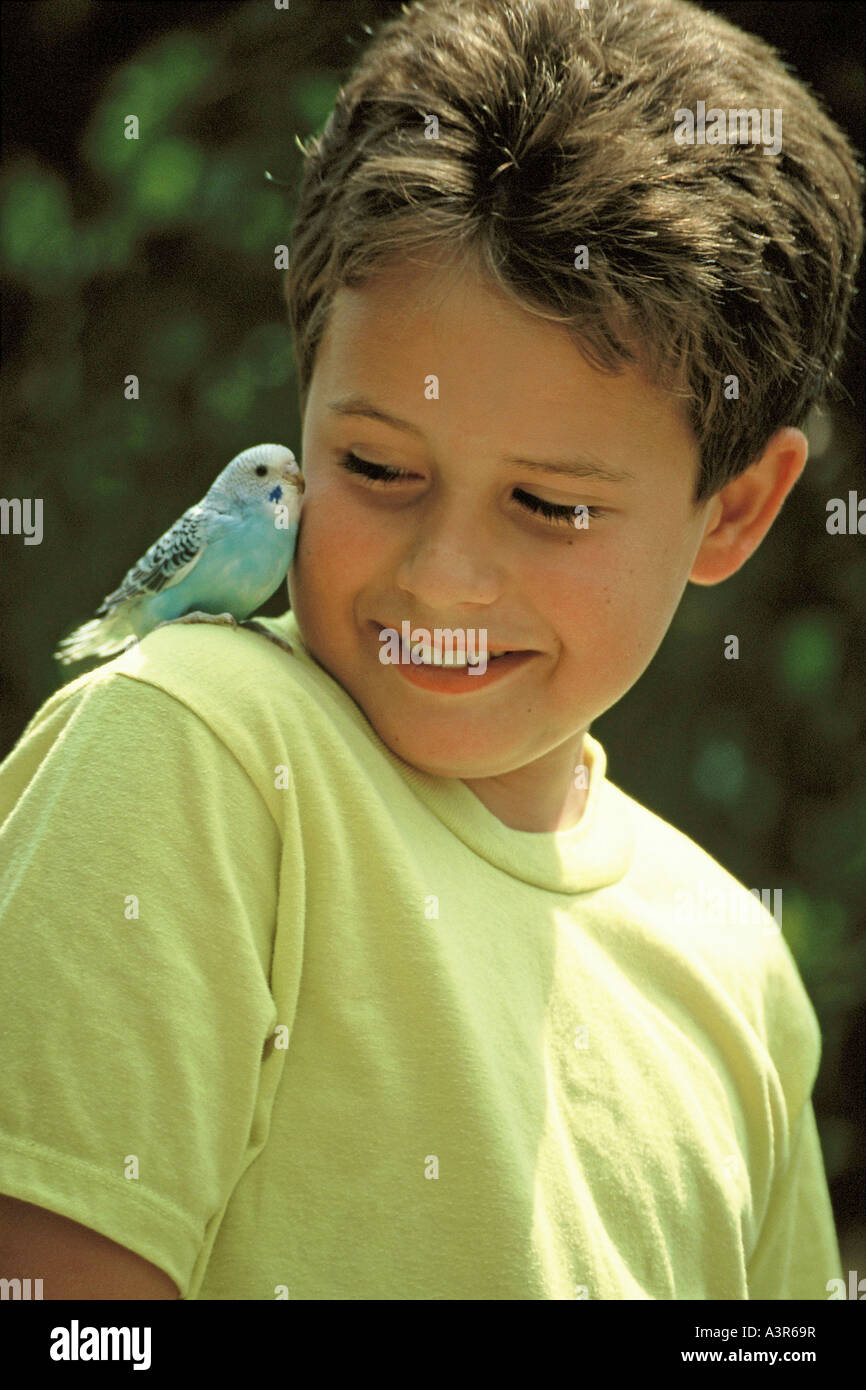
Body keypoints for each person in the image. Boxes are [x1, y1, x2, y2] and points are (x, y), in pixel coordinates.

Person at [1, 0, 861, 1300]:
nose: (440, 574)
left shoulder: (734, 973)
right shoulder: (193, 742)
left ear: (733, 507)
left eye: (550, 504)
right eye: (375, 465)